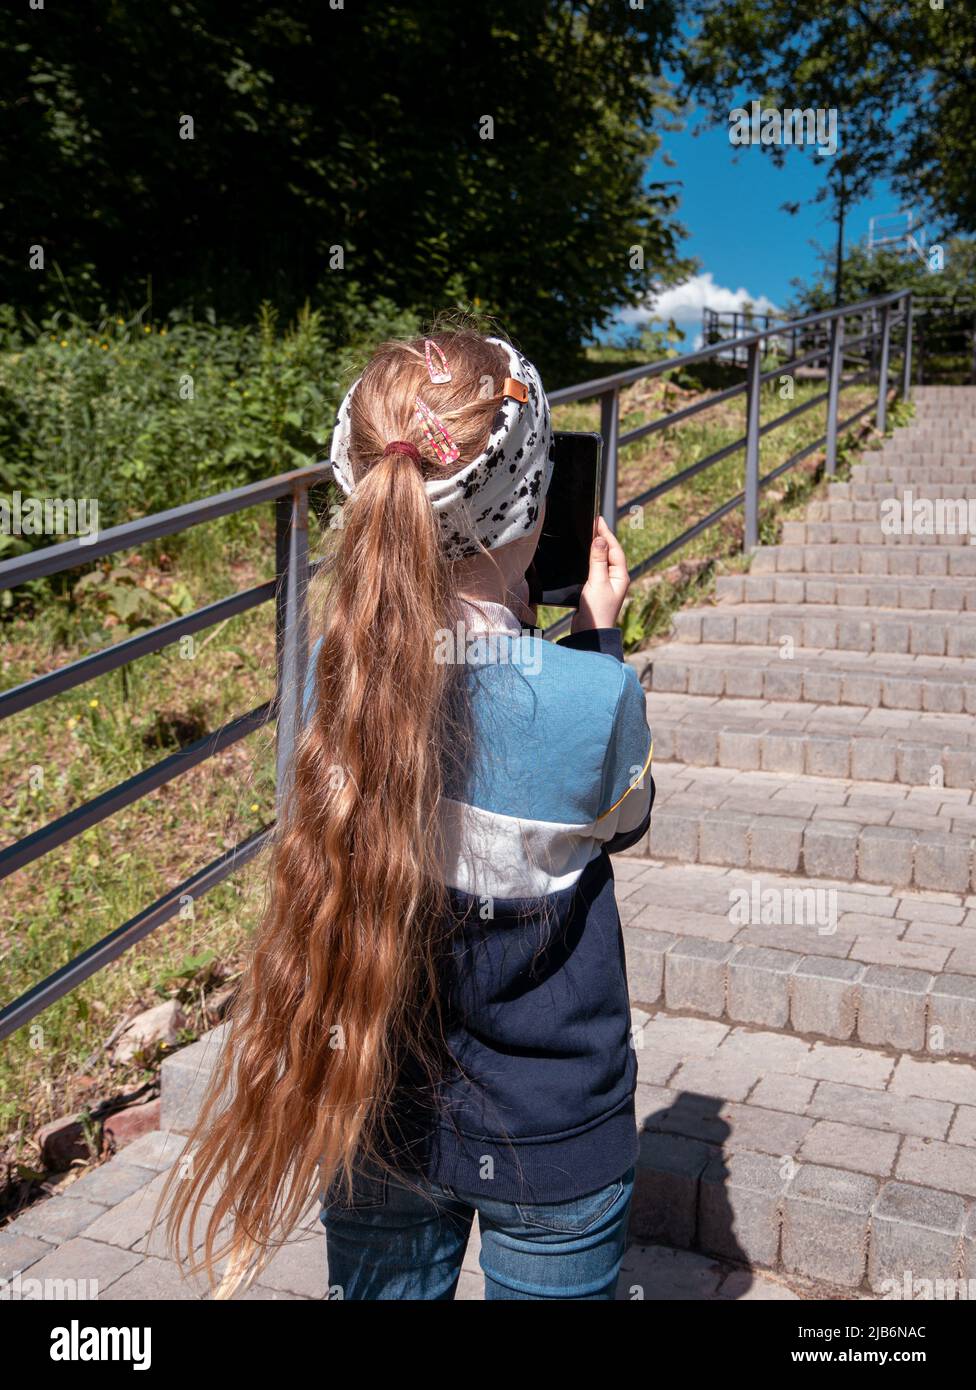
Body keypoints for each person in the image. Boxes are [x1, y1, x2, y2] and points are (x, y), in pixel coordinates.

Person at [159, 328, 654, 1301]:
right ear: (534, 499)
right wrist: (595, 636)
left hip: (373, 1099)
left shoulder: (325, 688)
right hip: (554, 1127)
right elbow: (622, 818)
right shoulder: (594, 698)